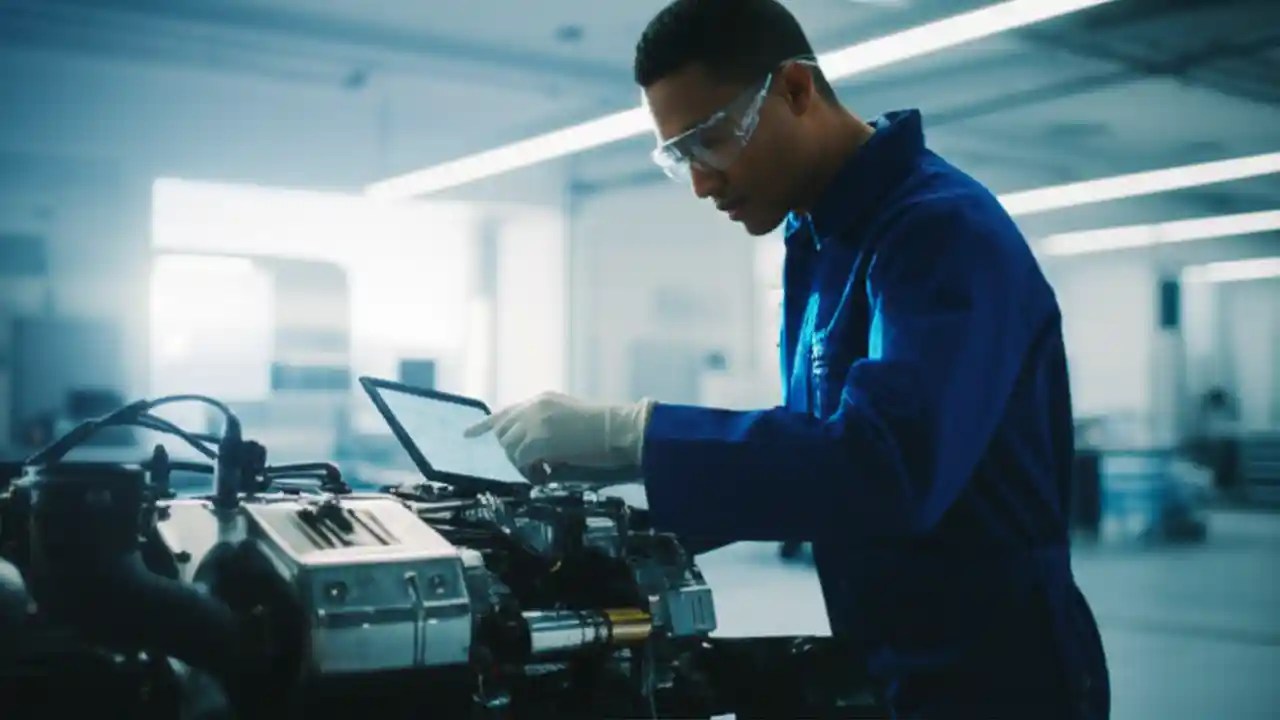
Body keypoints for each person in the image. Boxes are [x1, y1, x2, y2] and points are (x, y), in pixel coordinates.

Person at [465, 0, 1109, 716]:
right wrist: (610, 514)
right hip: (891, 654)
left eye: (711, 140)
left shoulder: (939, 231)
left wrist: (639, 432)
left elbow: (887, 464)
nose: (703, 183)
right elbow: (815, 448)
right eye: (680, 158)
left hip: (998, 671)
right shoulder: (820, 240)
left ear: (797, 90)